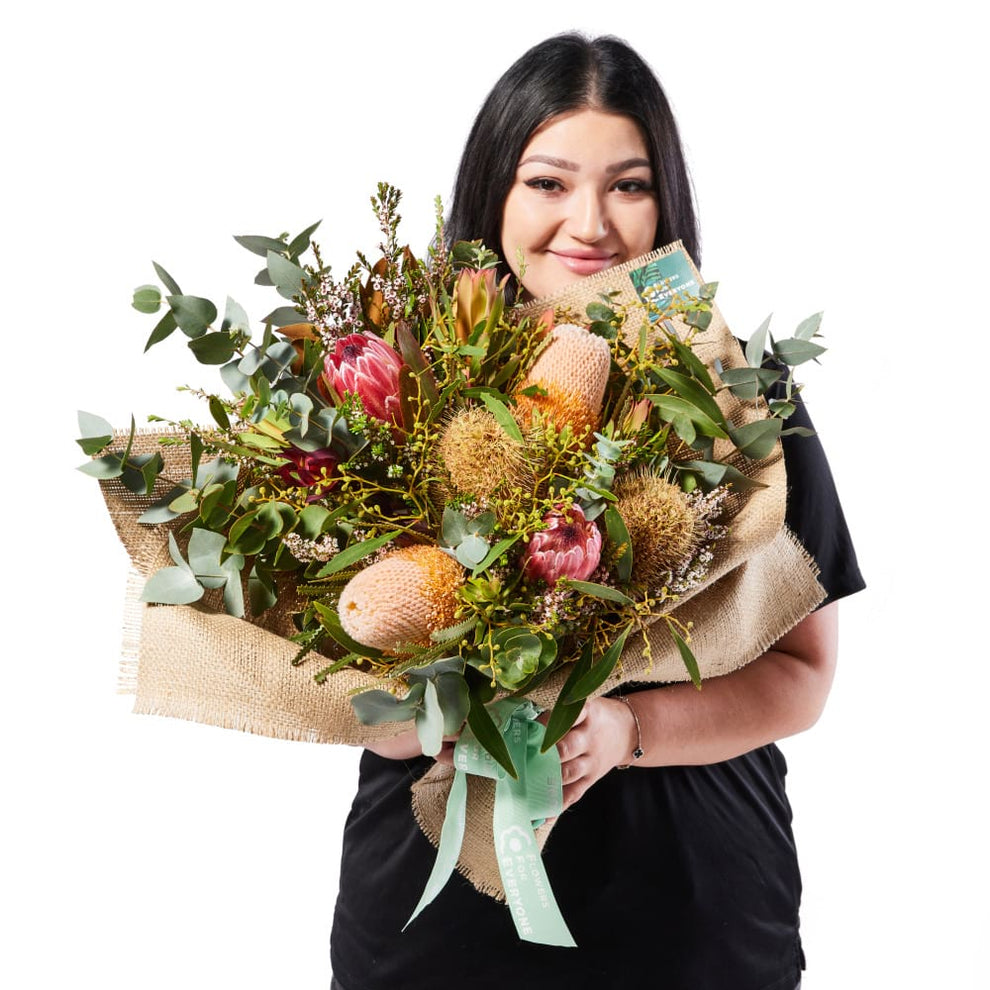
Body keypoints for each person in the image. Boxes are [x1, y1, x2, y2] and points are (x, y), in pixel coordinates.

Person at [329, 33, 864, 990]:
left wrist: (625, 732)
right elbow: (324, 668)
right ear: (495, 191)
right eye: (547, 183)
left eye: (628, 184)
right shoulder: (395, 387)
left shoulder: (740, 392)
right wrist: (422, 717)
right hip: (436, 923)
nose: (589, 222)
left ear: (666, 204)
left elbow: (803, 675)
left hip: (693, 919)